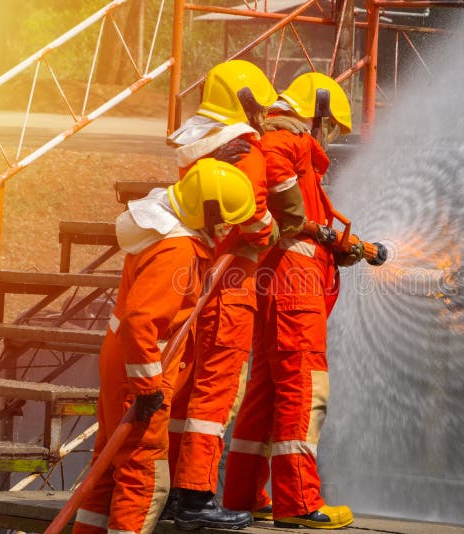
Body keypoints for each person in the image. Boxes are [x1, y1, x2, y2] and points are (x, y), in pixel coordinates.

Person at [72, 158, 257, 534]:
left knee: (107, 471)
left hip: (123, 362)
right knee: (145, 479)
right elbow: (143, 321)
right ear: (205, 210)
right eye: (223, 218)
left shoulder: (162, 225)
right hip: (140, 369)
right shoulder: (177, 250)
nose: (225, 228)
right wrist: (148, 388)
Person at [222, 72, 361, 529]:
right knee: (305, 390)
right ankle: (299, 502)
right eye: (332, 127)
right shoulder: (289, 137)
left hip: (276, 283)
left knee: (264, 392)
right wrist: (300, 217)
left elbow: (307, 226)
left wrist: (340, 244)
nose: (330, 137)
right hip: (296, 292)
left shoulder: (291, 149)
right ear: (316, 112)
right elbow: (290, 201)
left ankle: (243, 494)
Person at [161, 59, 279, 530]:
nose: (264, 117)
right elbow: (257, 222)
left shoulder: (201, 146)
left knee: (187, 392)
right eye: (261, 107)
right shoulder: (245, 152)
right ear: (246, 103)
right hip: (231, 292)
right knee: (216, 396)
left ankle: (169, 490)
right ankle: (195, 496)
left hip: (198, 281)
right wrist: (268, 231)